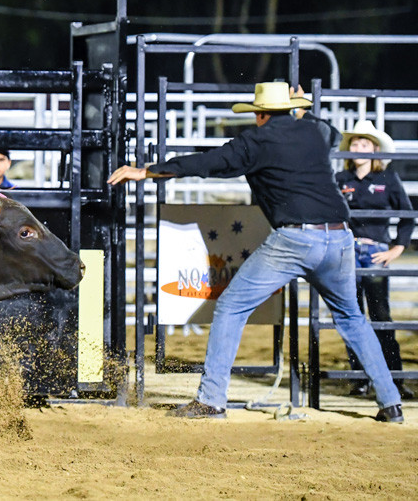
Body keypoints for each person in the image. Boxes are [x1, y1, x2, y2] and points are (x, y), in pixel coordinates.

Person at [109, 82, 403, 423]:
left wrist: (148, 171)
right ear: (291, 109)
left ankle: (211, 400)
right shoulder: (312, 133)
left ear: (261, 114)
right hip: (339, 238)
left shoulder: (258, 140)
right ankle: (391, 403)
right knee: (353, 319)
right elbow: (330, 130)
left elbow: (211, 162)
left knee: (232, 306)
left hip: (295, 239)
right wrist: (302, 109)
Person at [335, 119, 415, 400]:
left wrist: (397, 248)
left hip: (375, 254)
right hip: (348, 252)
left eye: (364, 143)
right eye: (355, 143)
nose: (358, 148)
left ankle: (395, 378)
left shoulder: (387, 179)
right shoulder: (341, 181)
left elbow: (407, 216)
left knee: (380, 315)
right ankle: (361, 379)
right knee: (352, 315)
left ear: (375, 150)